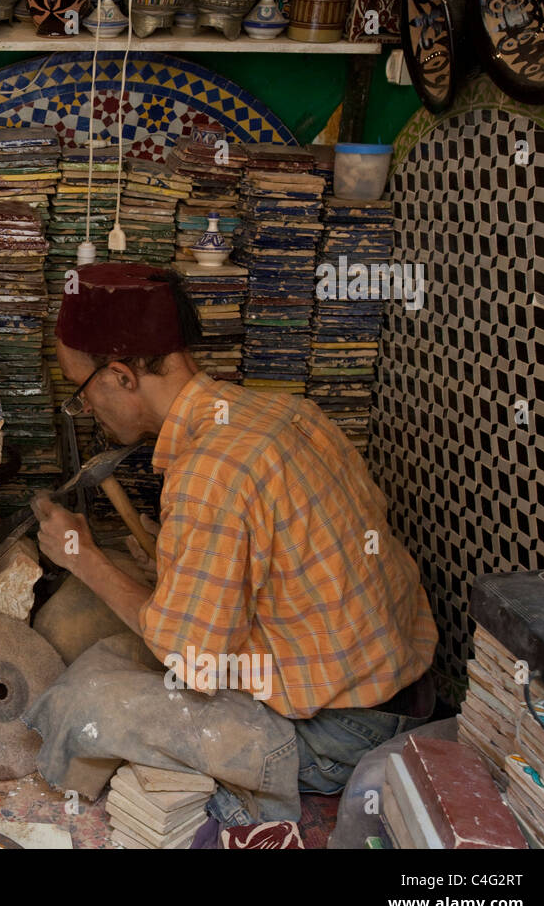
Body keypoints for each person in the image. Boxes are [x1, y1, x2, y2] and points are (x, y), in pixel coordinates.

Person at [23, 262, 439, 828]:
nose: (85, 409)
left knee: (85, 699)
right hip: (404, 687)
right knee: (111, 653)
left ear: (121, 375)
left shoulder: (210, 473)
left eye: (82, 393)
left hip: (338, 730)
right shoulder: (287, 412)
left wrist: (83, 559)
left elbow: (190, 661)